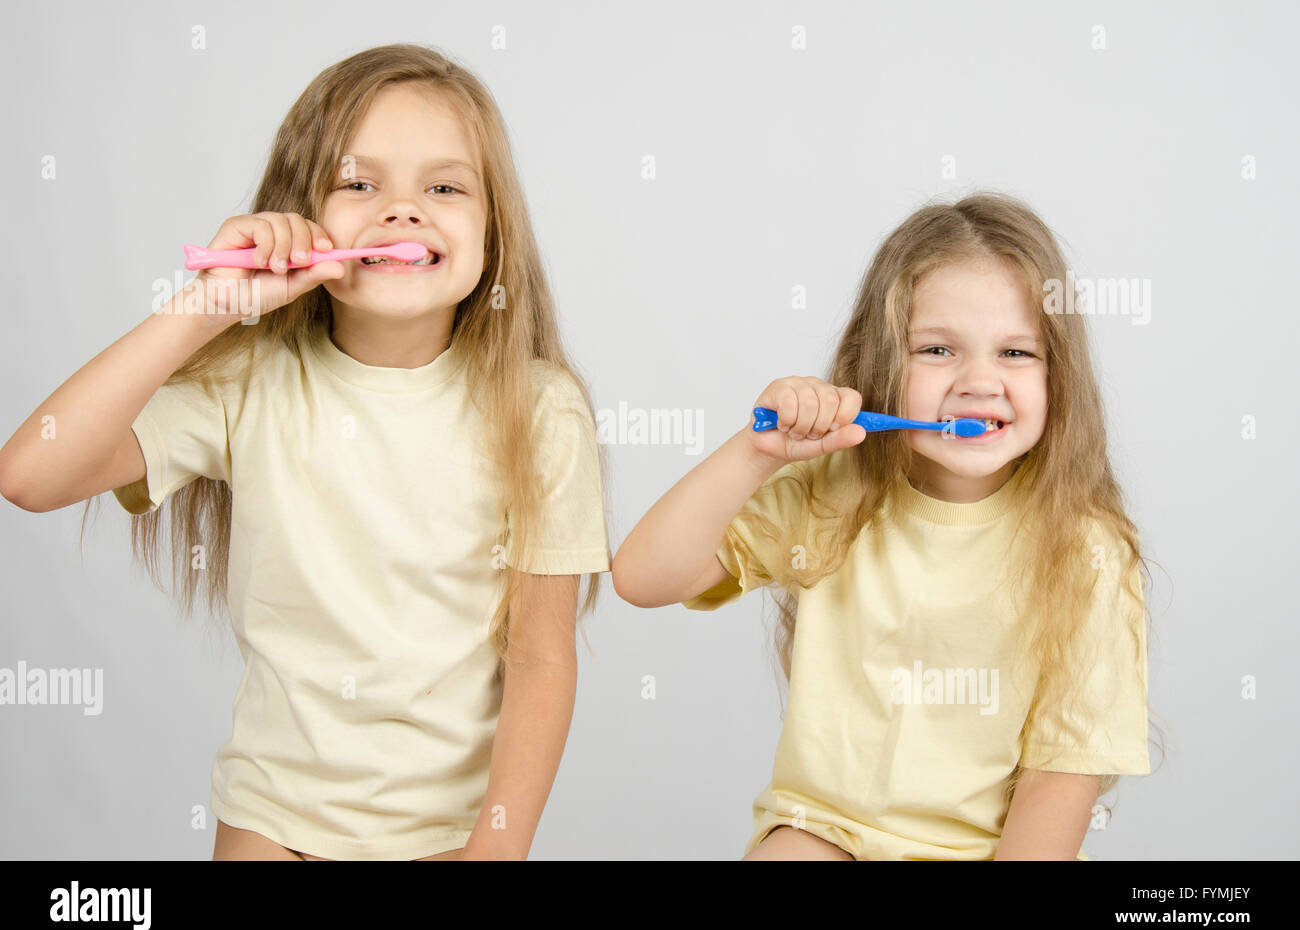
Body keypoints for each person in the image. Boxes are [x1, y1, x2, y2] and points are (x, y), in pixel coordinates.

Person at [0, 44, 611, 861]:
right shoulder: (249, 381)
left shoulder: (541, 410)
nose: (402, 211)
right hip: (273, 822)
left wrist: (494, 851)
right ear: (302, 218)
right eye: (359, 183)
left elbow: (543, 656)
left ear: (495, 231)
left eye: (444, 186)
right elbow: (30, 473)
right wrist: (209, 306)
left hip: (451, 835)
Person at [613, 192, 1158, 860]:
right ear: (882, 369)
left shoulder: (1085, 552)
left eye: (1017, 352)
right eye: (937, 349)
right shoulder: (832, 492)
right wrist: (755, 452)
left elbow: (1061, 778)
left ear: (1061, 376)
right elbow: (641, 576)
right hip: (822, 830)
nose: (979, 380)